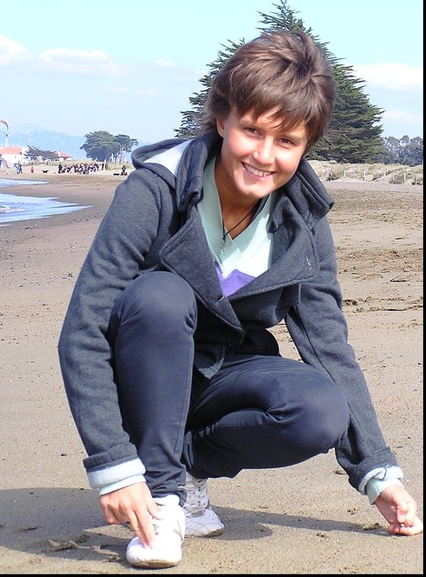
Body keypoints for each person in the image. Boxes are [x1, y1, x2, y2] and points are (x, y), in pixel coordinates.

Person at [58, 29, 423, 569]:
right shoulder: (155, 189)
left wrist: (377, 472)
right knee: (161, 295)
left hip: (221, 376)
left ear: (306, 146)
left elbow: (328, 344)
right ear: (222, 119)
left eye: (287, 141)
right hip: (142, 371)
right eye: (252, 130)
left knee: (319, 410)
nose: (264, 156)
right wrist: (114, 464)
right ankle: (162, 499)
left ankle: (181, 468)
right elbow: (83, 330)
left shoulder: (302, 220)